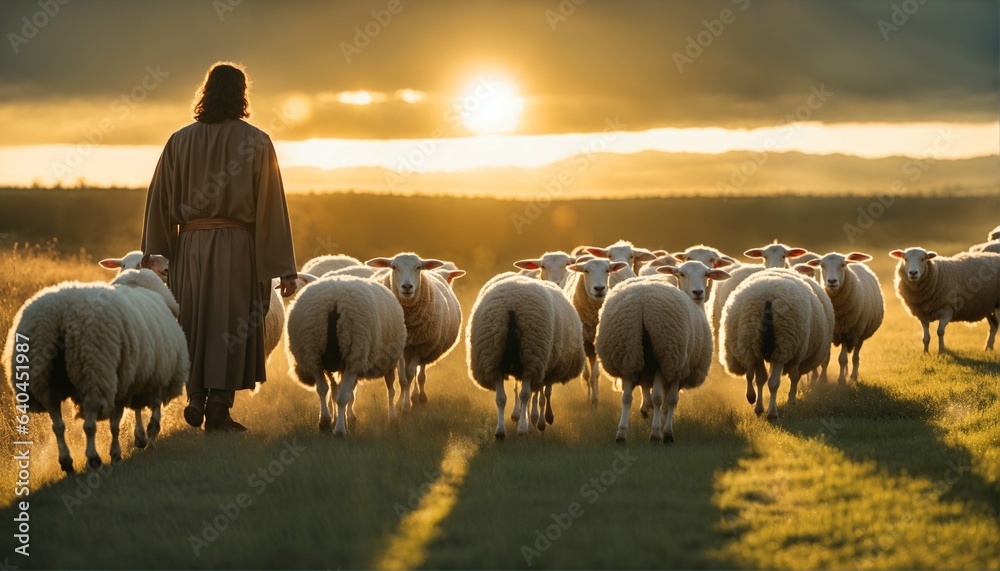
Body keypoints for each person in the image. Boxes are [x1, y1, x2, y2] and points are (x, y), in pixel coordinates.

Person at [141, 62, 298, 432]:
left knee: (195, 321)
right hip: (238, 248)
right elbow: (271, 206)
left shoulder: (179, 140)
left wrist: (155, 251)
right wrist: (284, 267)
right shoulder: (257, 141)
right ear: (242, 94)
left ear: (205, 92)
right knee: (232, 325)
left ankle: (196, 398)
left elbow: (160, 198)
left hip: (190, 246)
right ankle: (218, 410)